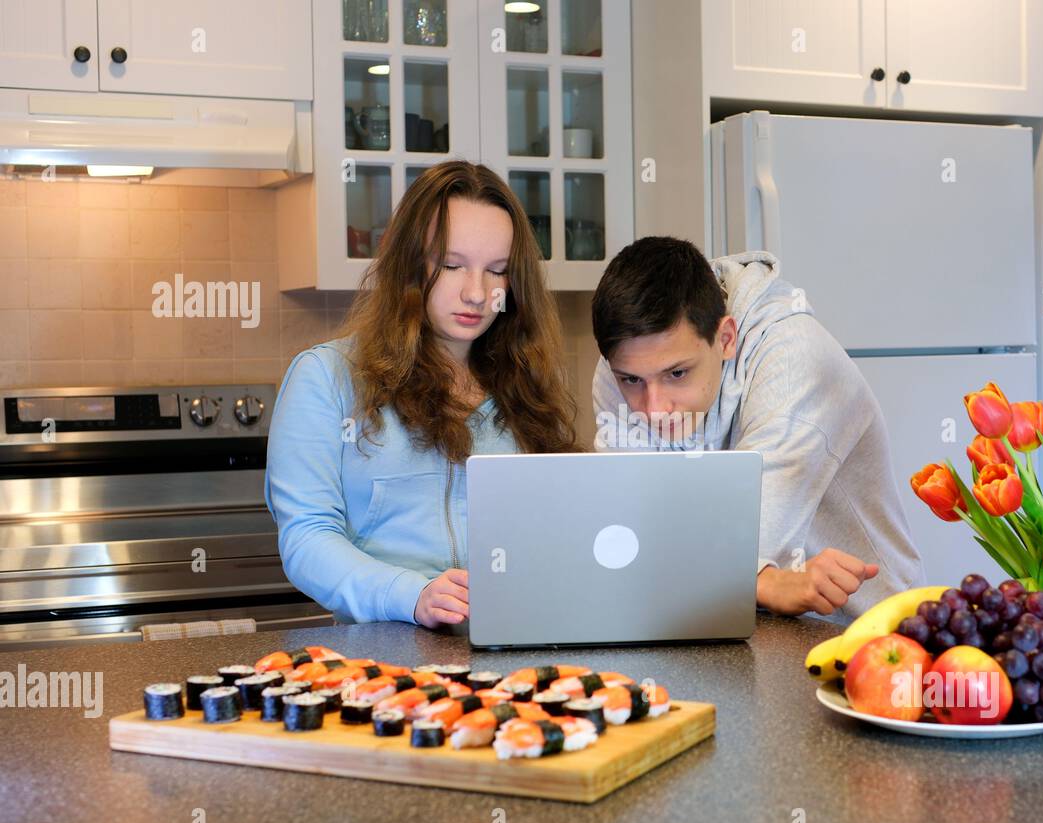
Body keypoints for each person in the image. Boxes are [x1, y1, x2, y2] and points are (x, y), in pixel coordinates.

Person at [266, 161, 579, 627]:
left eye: (497, 271)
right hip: (383, 662)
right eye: (452, 265)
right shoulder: (326, 378)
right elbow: (307, 539)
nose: (477, 293)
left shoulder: (524, 382)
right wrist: (411, 596)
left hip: (512, 650)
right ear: (409, 265)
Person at [591, 238, 922, 624]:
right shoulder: (624, 366)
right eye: (631, 381)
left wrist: (747, 574)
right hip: (737, 622)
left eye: (677, 374)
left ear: (726, 338)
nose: (654, 409)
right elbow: (627, 534)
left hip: (866, 629)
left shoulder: (796, 360)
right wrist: (760, 583)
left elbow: (748, 543)